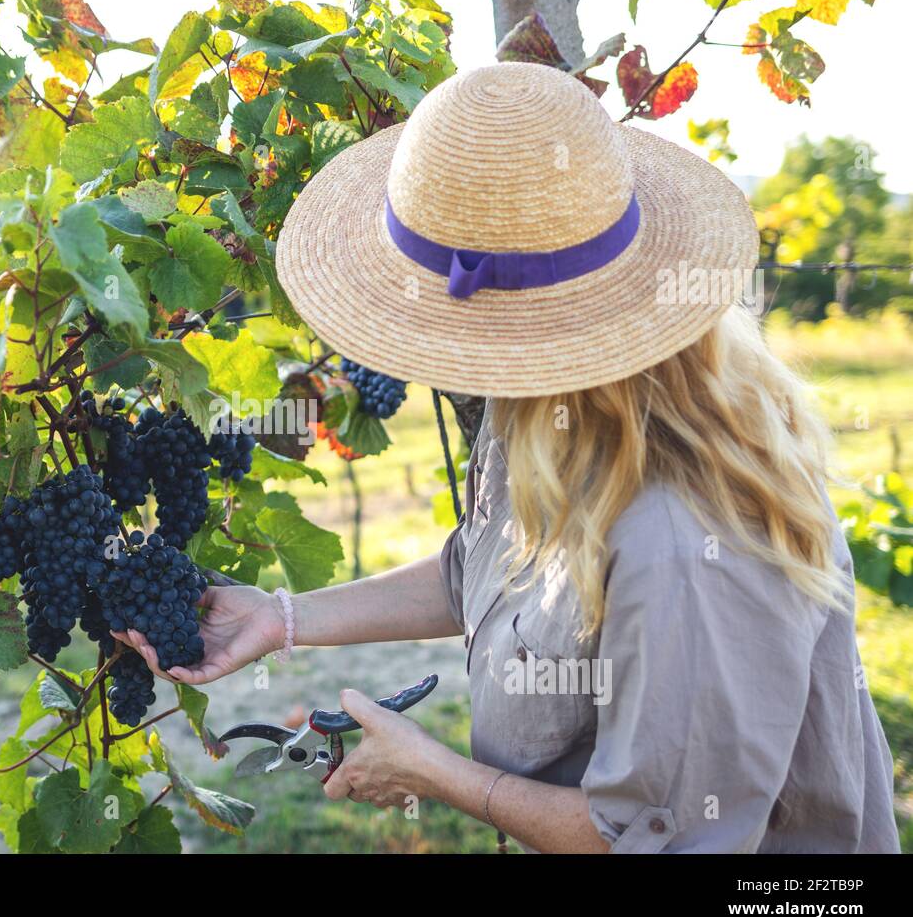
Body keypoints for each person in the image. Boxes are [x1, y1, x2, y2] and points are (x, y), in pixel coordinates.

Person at [119, 63, 900, 853]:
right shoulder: (540, 411)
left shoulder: (687, 543)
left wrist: (433, 772)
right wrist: (283, 618)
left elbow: (643, 841)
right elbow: (482, 568)